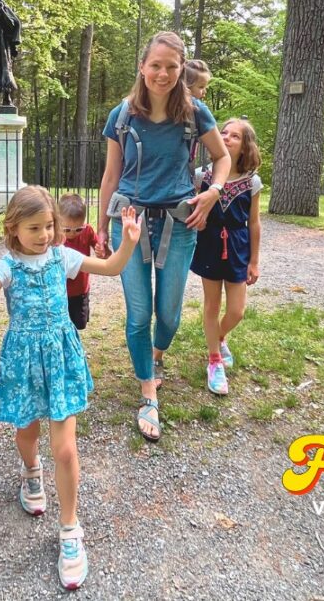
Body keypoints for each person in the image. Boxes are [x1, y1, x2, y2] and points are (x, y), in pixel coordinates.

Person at [0, 186, 141, 590]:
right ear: (13, 228)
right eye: (35, 227)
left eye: (49, 226)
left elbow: (112, 268)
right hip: (24, 363)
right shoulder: (5, 267)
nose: (45, 234)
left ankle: (69, 531)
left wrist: (128, 244)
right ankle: (31, 471)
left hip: (60, 358)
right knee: (26, 435)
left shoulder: (62, 257)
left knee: (65, 448)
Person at [96, 32, 231, 443]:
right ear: (142, 66)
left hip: (178, 223)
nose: (163, 73)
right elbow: (111, 174)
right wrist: (102, 226)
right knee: (139, 314)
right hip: (131, 223)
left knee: (168, 316)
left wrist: (213, 191)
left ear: (181, 68)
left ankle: (156, 355)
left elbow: (222, 157)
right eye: (156, 64)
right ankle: (148, 392)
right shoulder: (122, 115)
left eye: (172, 66)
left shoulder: (195, 113)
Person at [189, 118, 263, 396]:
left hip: (237, 247)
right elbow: (193, 210)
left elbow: (254, 223)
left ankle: (219, 337)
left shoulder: (251, 181)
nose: (227, 137)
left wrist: (254, 260)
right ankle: (214, 360)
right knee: (211, 305)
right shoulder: (202, 176)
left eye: (235, 135)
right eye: (224, 133)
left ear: (245, 145)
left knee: (236, 311)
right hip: (209, 244)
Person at [59, 192, 98, 330]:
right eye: (67, 229)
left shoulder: (88, 231)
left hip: (81, 289)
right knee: (61, 324)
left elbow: (99, 246)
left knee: (79, 324)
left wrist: (101, 249)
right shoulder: (55, 236)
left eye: (78, 229)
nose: (72, 233)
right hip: (60, 290)